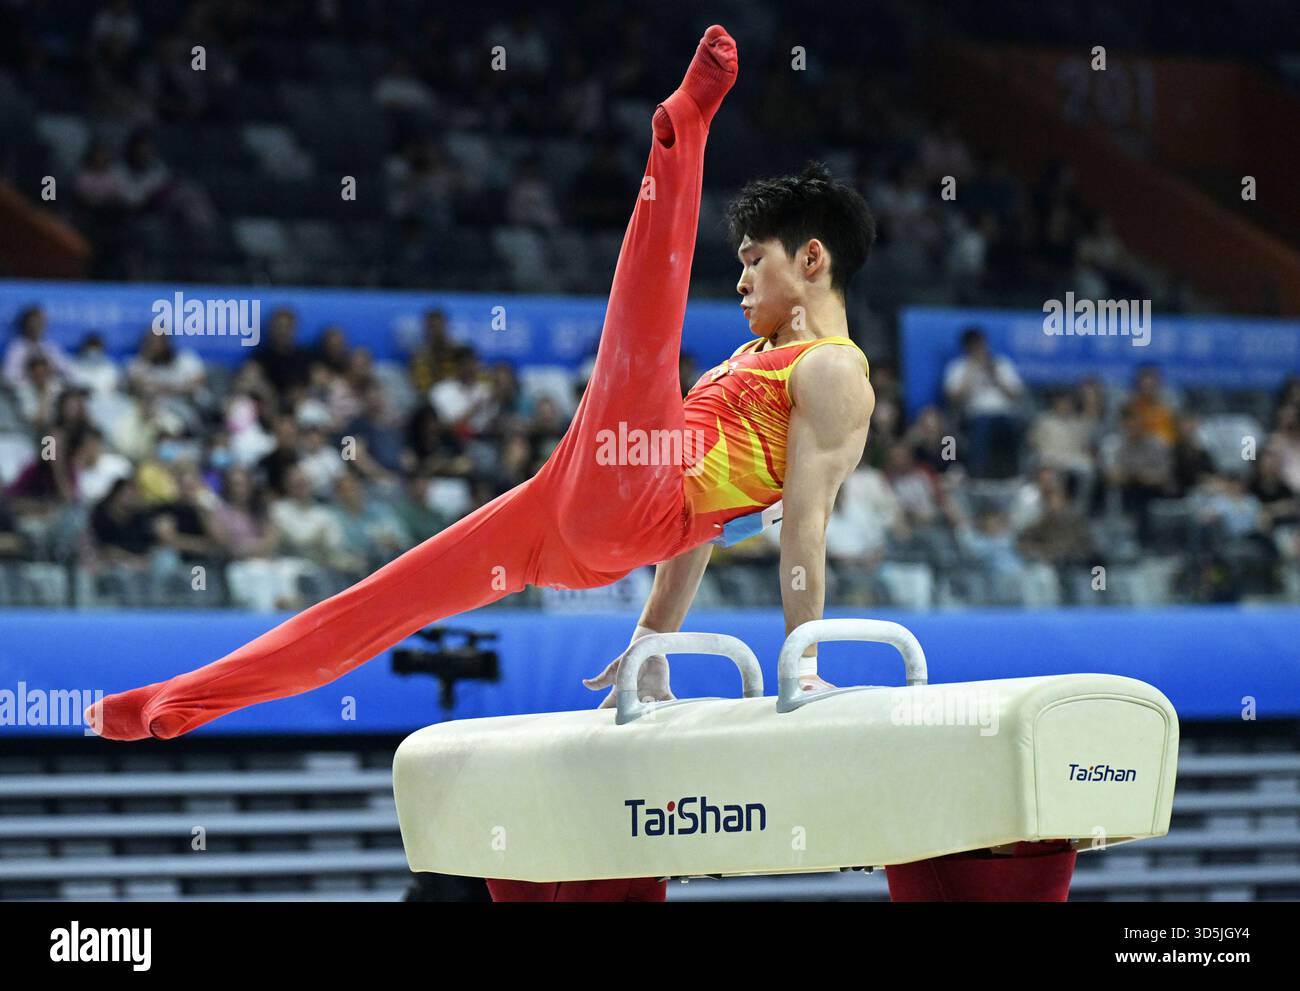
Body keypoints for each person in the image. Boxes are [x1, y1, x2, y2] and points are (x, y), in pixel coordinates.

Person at [87, 27, 873, 749]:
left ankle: (684, 129)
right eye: (735, 262)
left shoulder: (833, 371)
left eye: (750, 260)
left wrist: (801, 660)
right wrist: (651, 642)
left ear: (811, 260)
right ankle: (176, 702)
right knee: (375, 605)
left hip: (639, 497)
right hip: (578, 504)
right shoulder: (742, 360)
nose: (738, 282)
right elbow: (707, 529)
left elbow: (803, 525)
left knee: (641, 336)